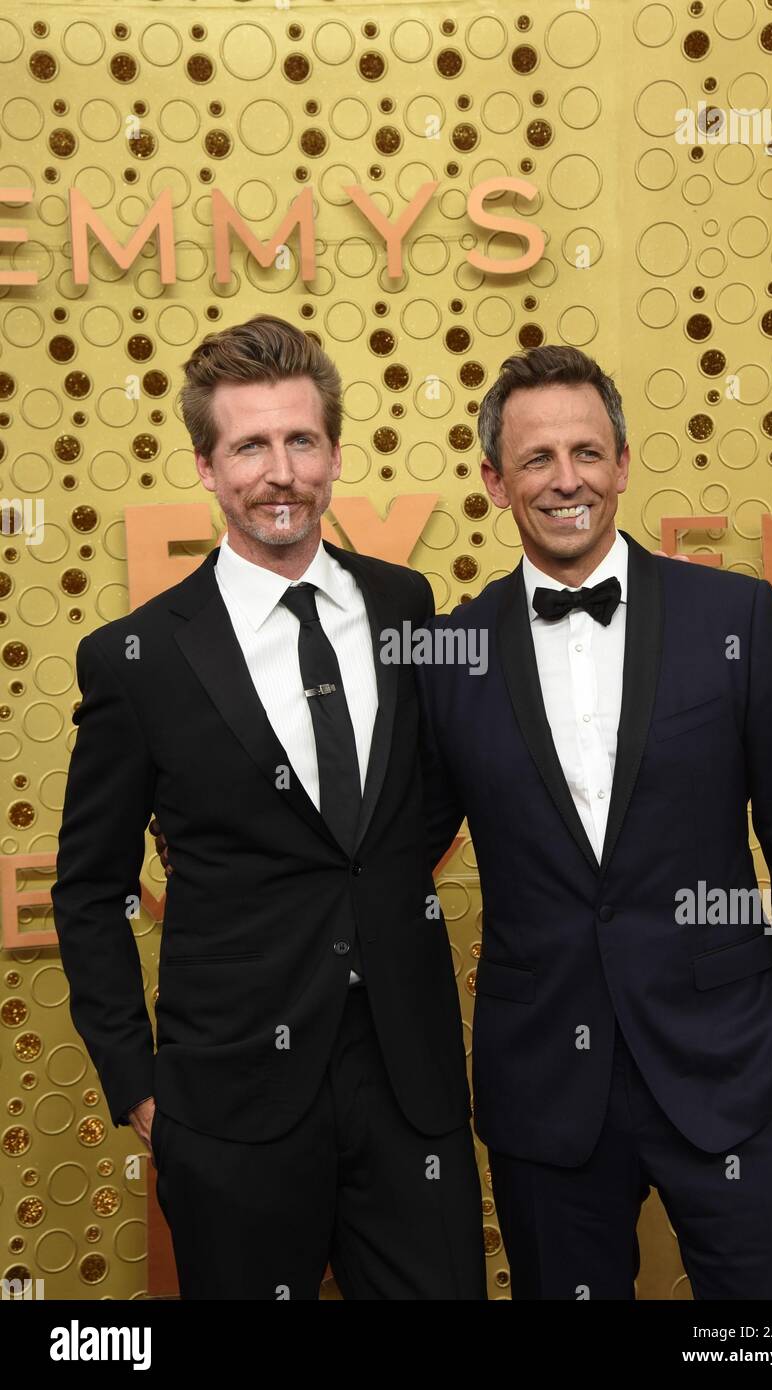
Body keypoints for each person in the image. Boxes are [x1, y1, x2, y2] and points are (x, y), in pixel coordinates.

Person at [51, 314, 486, 1301]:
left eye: (301, 441)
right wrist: (142, 1092)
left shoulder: (405, 606)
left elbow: (416, 813)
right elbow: (89, 891)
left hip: (410, 1090)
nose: (279, 470)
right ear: (206, 465)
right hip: (230, 1106)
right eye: (249, 445)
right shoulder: (140, 658)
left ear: (334, 452)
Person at [413, 344, 772, 1299]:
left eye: (586, 452)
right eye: (535, 459)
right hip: (545, 1090)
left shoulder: (732, 615)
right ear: (493, 478)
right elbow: (387, 850)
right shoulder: (450, 653)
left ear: (620, 461)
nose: (564, 480)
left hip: (737, 1069)